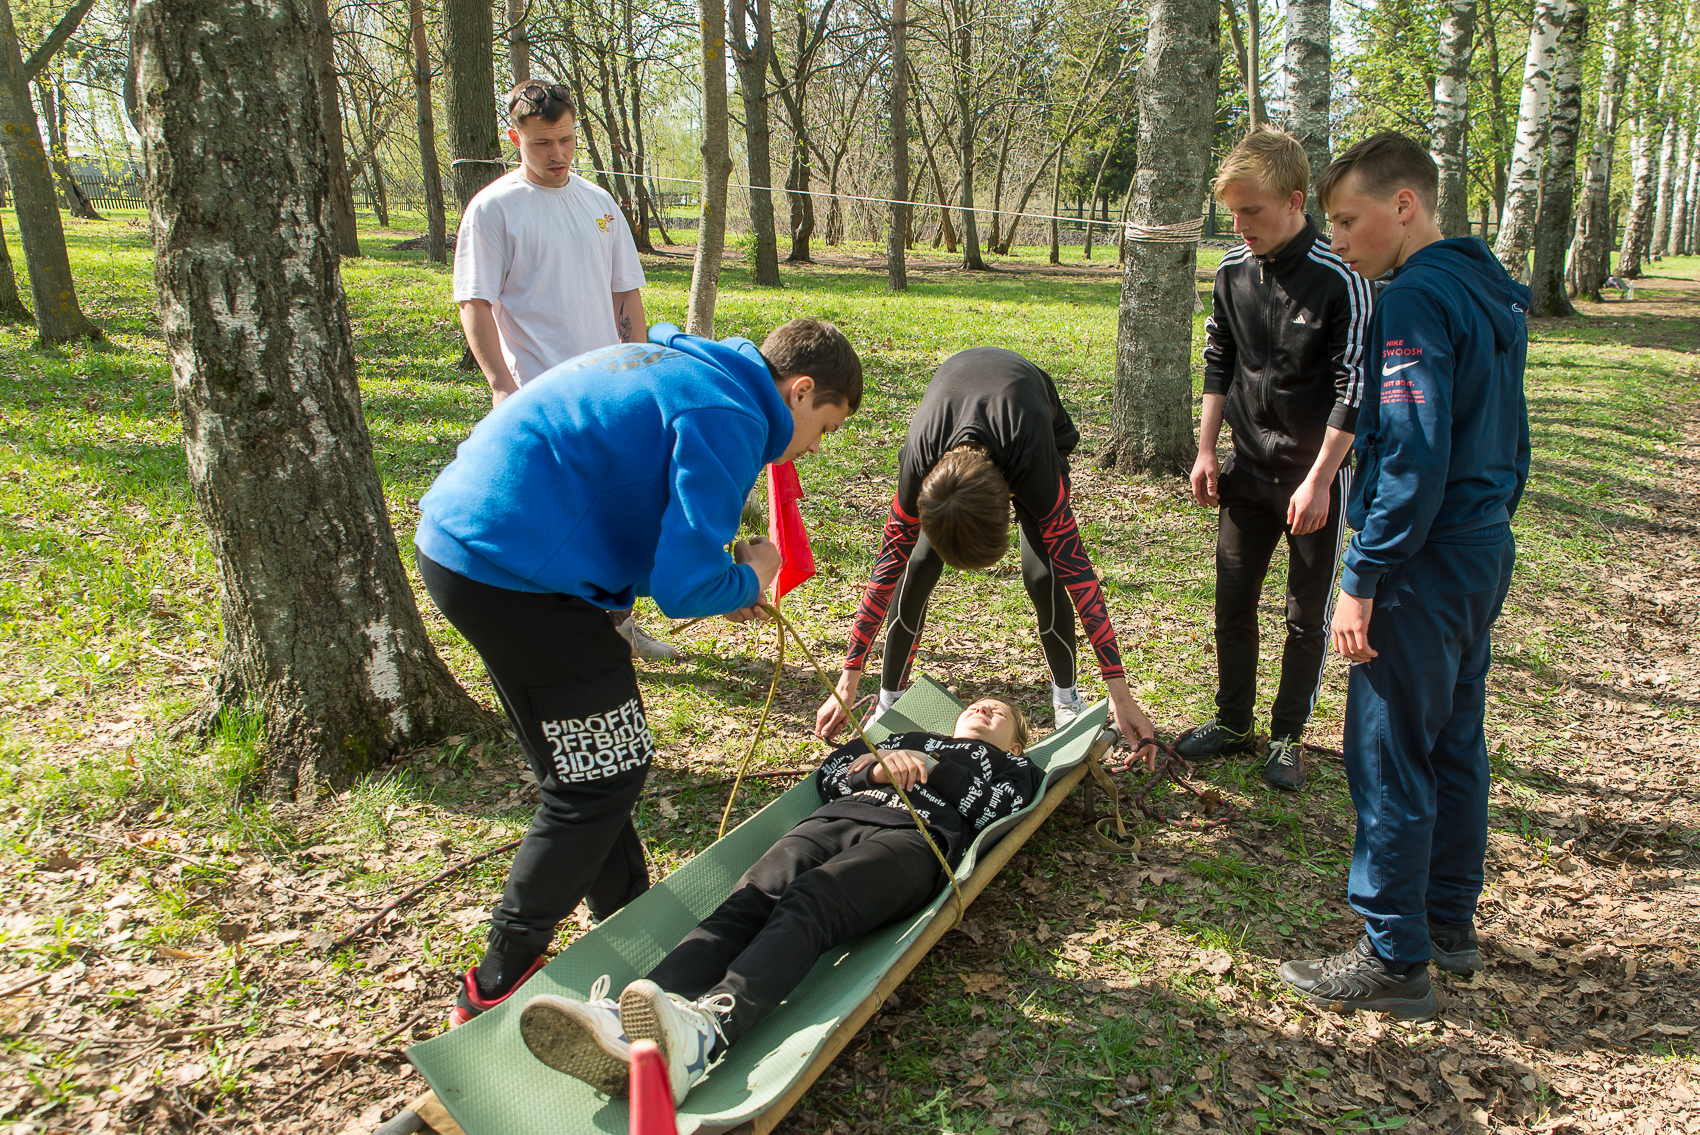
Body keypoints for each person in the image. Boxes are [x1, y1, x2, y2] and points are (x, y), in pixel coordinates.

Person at [416, 318, 863, 1030]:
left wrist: (727, 579)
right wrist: (749, 578)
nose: (811, 447)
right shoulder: (733, 414)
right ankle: (499, 976)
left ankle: (629, 921)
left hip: (471, 543)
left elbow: (639, 502)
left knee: (597, 763)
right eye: (825, 426)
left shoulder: (693, 369)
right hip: (515, 568)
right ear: (800, 389)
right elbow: (685, 585)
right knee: (599, 775)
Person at [1277, 133, 1529, 1020]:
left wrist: (1364, 572)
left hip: (1422, 563)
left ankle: (1394, 956)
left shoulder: (1418, 300)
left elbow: (1414, 454)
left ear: (1404, 206)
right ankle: (1447, 922)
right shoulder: (1486, 286)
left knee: (1389, 750)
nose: (1336, 240)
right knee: (1455, 737)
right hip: (1479, 548)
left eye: (1347, 220)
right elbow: (1512, 436)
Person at [517, 698, 1042, 1103]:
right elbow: (832, 774)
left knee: (814, 899)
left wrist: (947, 769)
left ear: (1016, 743)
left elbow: (1009, 809)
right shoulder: (905, 735)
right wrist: (876, 768)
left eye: (1002, 714)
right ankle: (628, 1017)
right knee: (748, 899)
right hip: (833, 820)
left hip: (915, 839)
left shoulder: (1016, 770)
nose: (985, 706)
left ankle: (706, 1032)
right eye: (977, 703)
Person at [813, 348, 1156, 764]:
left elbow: (1080, 578)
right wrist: (848, 678)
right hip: (952, 408)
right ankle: (890, 702)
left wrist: (1120, 694)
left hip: (1033, 419)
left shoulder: (1033, 465)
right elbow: (886, 570)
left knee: (1044, 574)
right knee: (917, 564)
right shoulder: (920, 462)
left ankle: (1067, 702)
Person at [1180, 127, 1373, 792]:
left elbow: (1355, 387)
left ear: (1294, 201)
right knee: (1232, 603)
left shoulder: (1339, 278)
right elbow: (1219, 360)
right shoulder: (1233, 270)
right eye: (1232, 213)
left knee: (1303, 615)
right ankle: (1234, 721)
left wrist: (1321, 480)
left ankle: (1288, 735)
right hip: (1246, 472)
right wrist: (1208, 448)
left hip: (1314, 480)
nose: (1241, 226)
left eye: (1252, 211)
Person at [455, 79, 673, 661]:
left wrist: (639, 368)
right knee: (557, 521)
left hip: (609, 391)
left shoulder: (599, 204)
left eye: (568, 140)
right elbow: (475, 304)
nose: (558, 155)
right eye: (543, 143)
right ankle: (566, 635)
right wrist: (502, 386)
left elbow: (625, 294)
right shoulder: (494, 209)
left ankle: (620, 624)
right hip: (540, 398)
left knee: (617, 512)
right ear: (515, 138)